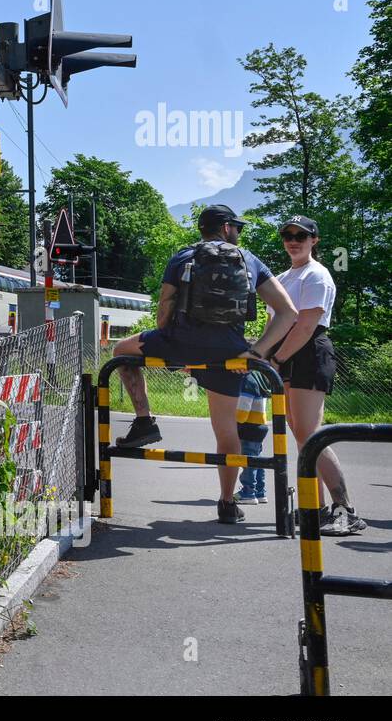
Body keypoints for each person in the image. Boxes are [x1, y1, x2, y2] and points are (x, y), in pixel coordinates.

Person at [111, 204, 298, 524]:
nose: (239, 232)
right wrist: (258, 353)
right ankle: (227, 502)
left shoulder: (183, 256)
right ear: (226, 227)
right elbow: (288, 313)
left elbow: (165, 307)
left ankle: (144, 421)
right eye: (236, 227)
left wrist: (172, 347)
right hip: (229, 353)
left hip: (179, 344)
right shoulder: (249, 259)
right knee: (226, 430)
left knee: (120, 351)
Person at [268, 215, 365, 536]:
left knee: (311, 434)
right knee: (299, 433)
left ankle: (345, 510)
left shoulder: (317, 275)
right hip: (284, 354)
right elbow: (276, 324)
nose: (293, 240)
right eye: (287, 235)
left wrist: (278, 358)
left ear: (314, 240)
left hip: (308, 351)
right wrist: (264, 355)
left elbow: (307, 325)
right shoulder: (282, 277)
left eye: (301, 235)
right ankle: (316, 508)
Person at [233, 369, 271, 505]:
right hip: (259, 426)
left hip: (248, 427)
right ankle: (260, 492)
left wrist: (231, 418)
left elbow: (243, 411)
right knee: (257, 461)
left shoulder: (247, 380)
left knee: (248, 462)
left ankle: (248, 492)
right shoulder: (259, 376)